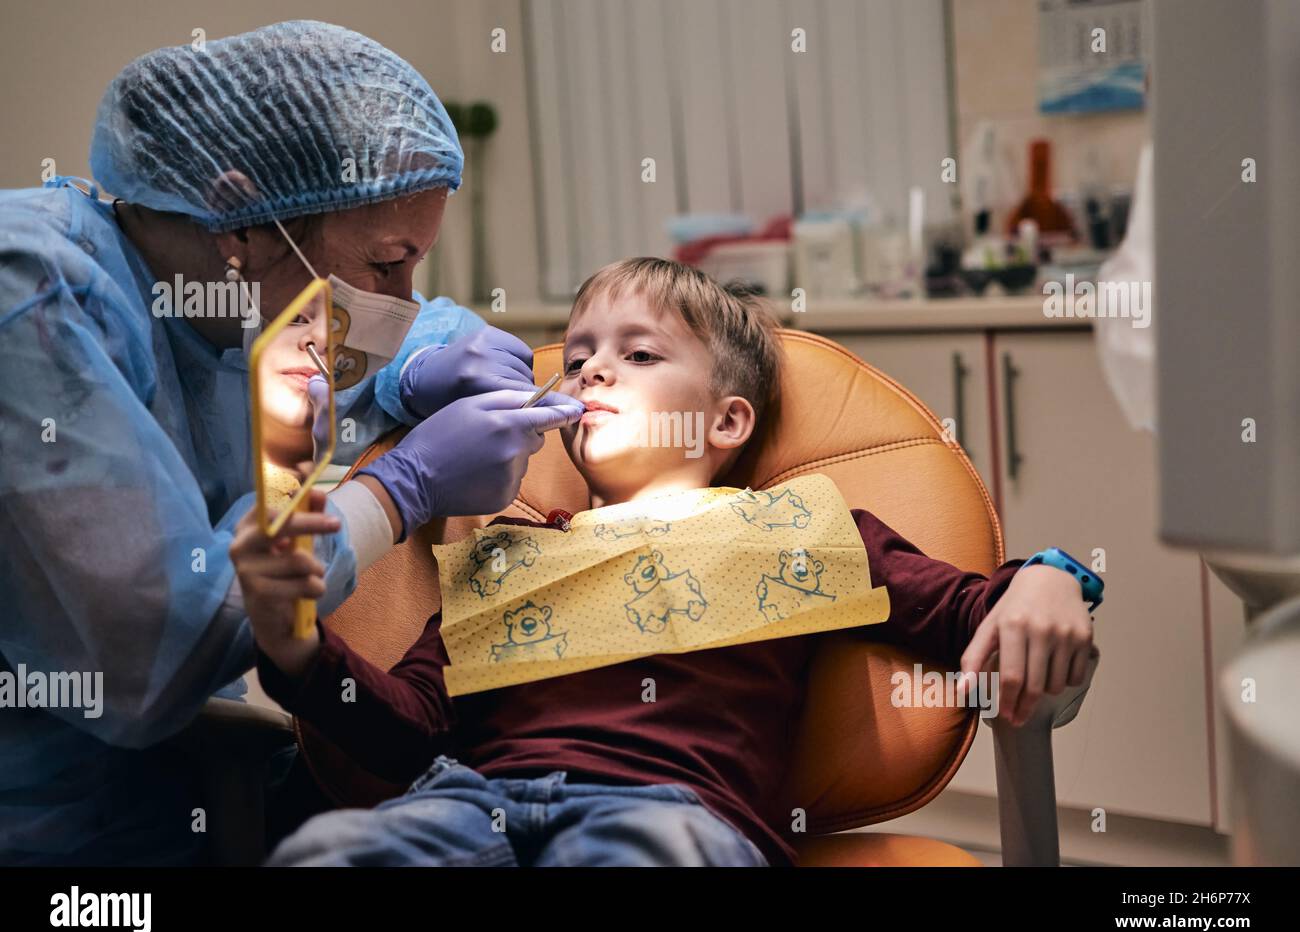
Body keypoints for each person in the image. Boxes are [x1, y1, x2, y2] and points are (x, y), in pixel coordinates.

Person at [235, 257, 1098, 866]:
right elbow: (407, 729)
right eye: (577, 359)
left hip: (673, 818)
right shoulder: (505, 554)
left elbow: (972, 608)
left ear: (725, 422)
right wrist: (295, 646)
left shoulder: (796, 530)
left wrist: (1053, 578)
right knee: (329, 850)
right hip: (466, 806)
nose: (592, 373)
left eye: (638, 356)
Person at [0, 20, 581, 865]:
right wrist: (399, 491)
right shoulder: (31, 304)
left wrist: (418, 359)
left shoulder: (230, 300)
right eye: (389, 268)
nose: (404, 296)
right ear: (240, 223)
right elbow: (152, 653)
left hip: (187, 803)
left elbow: (329, 351)